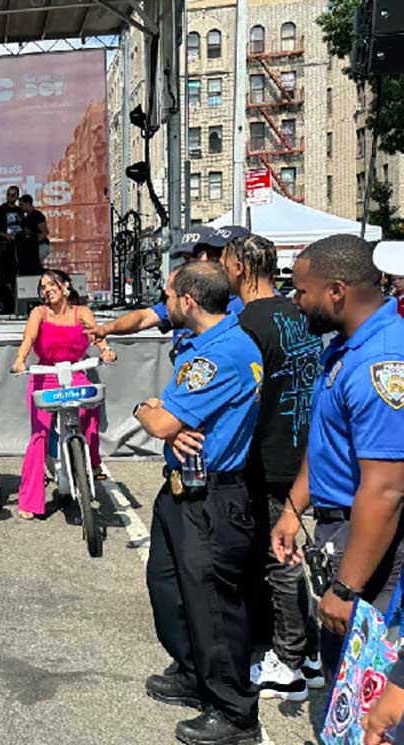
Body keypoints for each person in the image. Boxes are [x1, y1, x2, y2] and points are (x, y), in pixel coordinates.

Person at [135, 261, 263, 745]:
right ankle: (193, 673)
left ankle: (234, 713)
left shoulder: (221, 353)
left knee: (211, 605)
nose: (164, 304)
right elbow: (169, 420)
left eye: (169, 295)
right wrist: (155, 412)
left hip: (211, 496)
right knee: (168, 586)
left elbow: (165, 422)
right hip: (182, 489)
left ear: (188, 300)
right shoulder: (205, 343)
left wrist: (146, 410)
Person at [269, 234, 404, 685]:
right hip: (339, 528)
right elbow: (328, 441)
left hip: (369, 542)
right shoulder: (344, 348)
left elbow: (386, 489)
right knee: (341, 678)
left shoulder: (380, 362)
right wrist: (293, 510)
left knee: (366, 694)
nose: (296, 301)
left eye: (302, 291)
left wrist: (346, 588)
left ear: (336, 292)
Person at [209, 233, 323, 698]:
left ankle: (289, 661)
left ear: (239, 267)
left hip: (271, 452)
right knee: (289, 551)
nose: (222, 271)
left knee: (279, 557)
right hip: (301, 446)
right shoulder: (299, 313)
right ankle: (311, 653)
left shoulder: (249, 324)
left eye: (223, 263)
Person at [11, 270, 115, 519]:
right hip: (45, 375)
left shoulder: (82, 313)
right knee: (39, 436)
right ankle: (30, 501)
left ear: (66, 286)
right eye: (42, 286)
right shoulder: (39, 313)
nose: (47, 289)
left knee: (90, 412)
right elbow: (29, 338)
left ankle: (91, 462)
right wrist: (19, 360)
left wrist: (106, 350)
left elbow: (96, 336)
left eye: (51, 284)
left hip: (75, 372)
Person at [90, 226, 248, 360]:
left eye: (193, 259)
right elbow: (143, 318)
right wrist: (106, 329)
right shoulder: (179, 298)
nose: (188, 267)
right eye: (185, 260)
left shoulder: (241, 301)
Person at [0, 185, 25, 314]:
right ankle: (3, 303)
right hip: (4, 246)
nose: (10, 197)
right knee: (3, 275)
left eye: (13, 195)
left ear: (17, 196)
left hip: (19, 247)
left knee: (17, 274)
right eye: (8, 194)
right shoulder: (0, 210)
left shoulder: (20, 211)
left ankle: (16, 302)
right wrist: (5, 235)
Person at [17, 194, 48, 275]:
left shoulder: (37, 215)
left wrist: (34, 243)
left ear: (27, 203)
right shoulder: (26, 218)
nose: (20, 207)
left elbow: (44, 232)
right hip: (31, 248)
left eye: (21, 204)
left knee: (33, 266)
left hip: (41, 246)